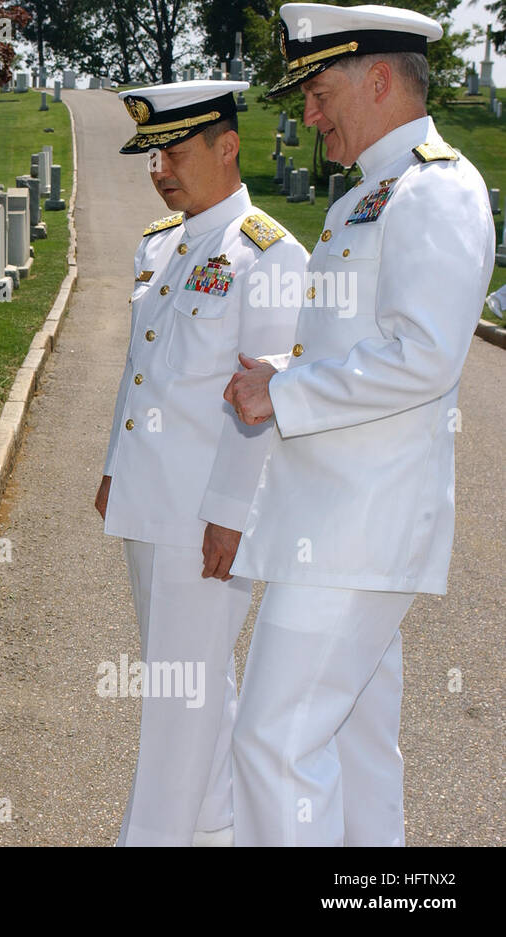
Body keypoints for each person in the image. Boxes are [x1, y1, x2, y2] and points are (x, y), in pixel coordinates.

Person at [225, 2, 495, 846]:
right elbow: (361, 344)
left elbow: (424, 354)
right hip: (335, 517)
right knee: (355, 740)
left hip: (359, 524)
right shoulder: (363, 200)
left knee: (273, 739)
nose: (307, 113)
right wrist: (287, 371)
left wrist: (287, 393)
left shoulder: (437, 187)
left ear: (378, 79)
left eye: (318, 91)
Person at [97, 80, 308, 846]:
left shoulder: (269, 254)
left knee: (178, 700)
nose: (160, 170)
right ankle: (217, 832)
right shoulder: (161, 243)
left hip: (206, 520)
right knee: (192, 687)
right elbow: (142, 369)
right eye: (154, 156)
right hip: (151, 506)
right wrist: (116, 465)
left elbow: (266, 396)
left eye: (175, 152)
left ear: (228, 146)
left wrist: (231, 512)